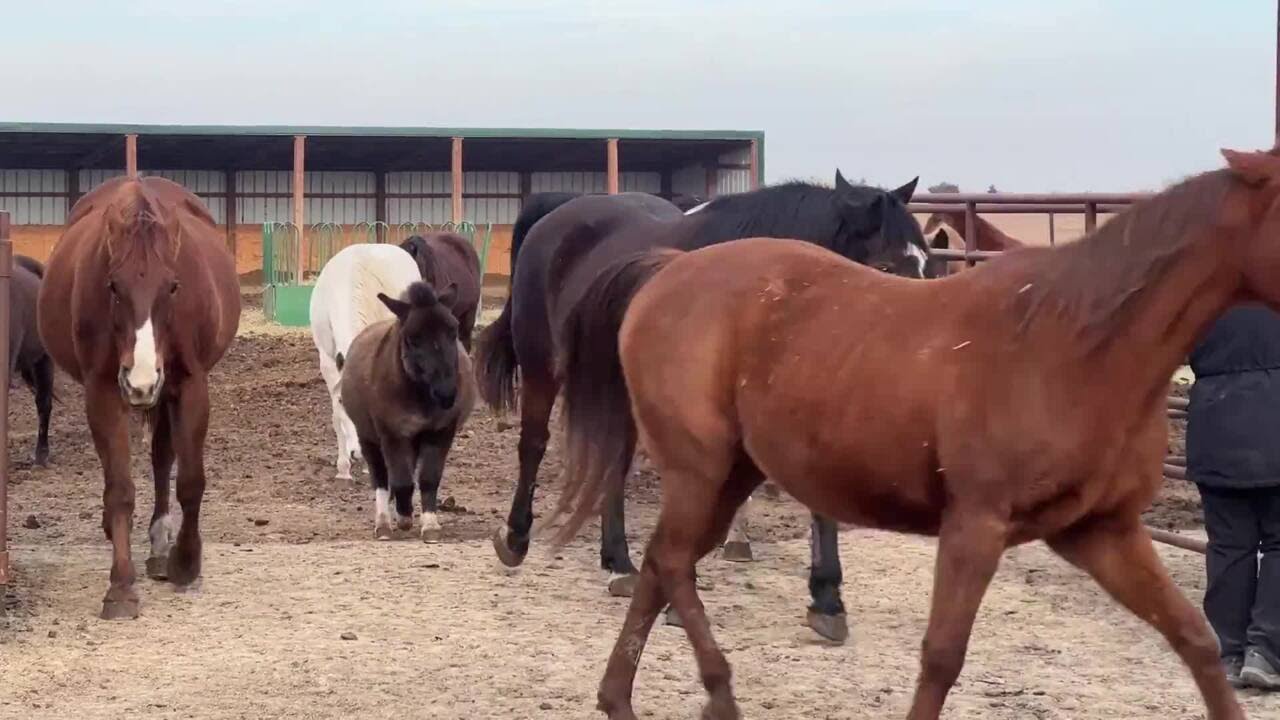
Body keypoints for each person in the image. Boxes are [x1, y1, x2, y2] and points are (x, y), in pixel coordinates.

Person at [1187, 303, 1280, 690]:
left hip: (1214, 421)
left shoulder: (1207, 285)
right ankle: (1267, 651)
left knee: (1228, 543)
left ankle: (1229, 651)